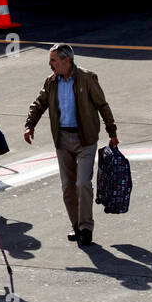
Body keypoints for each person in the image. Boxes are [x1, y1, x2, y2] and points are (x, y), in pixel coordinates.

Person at [23, 43, 119, 247]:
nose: (50, 64)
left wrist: (112, 132)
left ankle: (86, 227)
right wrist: (29, 125)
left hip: (85, 139)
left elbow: (102, 105)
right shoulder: (51, 82)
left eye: (53, 60)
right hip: (62, 140)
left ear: (67, 61)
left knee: (82, 183)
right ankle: (76, 226)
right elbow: (39, 104)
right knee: (68, 187)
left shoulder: (87, 78)